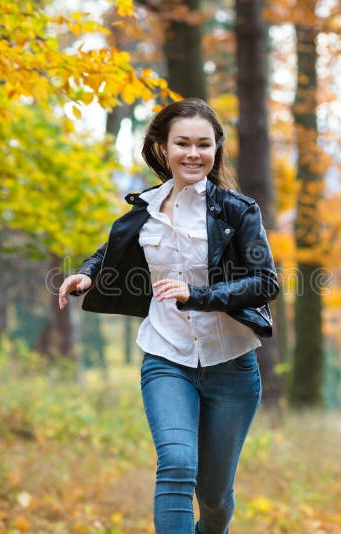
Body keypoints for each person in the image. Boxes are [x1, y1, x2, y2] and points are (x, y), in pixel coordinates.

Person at [57, 98, 279, 533]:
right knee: (177, 464)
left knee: (214, 496)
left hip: (231, 364)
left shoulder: (237, 211)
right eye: (182, 143)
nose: (193, 153)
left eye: (204, 144)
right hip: (166, 357)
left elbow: (265, 282)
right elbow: (113, 249)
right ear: (162, 147)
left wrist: (199, 295)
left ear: (216, 149)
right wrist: (87, 274)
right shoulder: (145, 210)